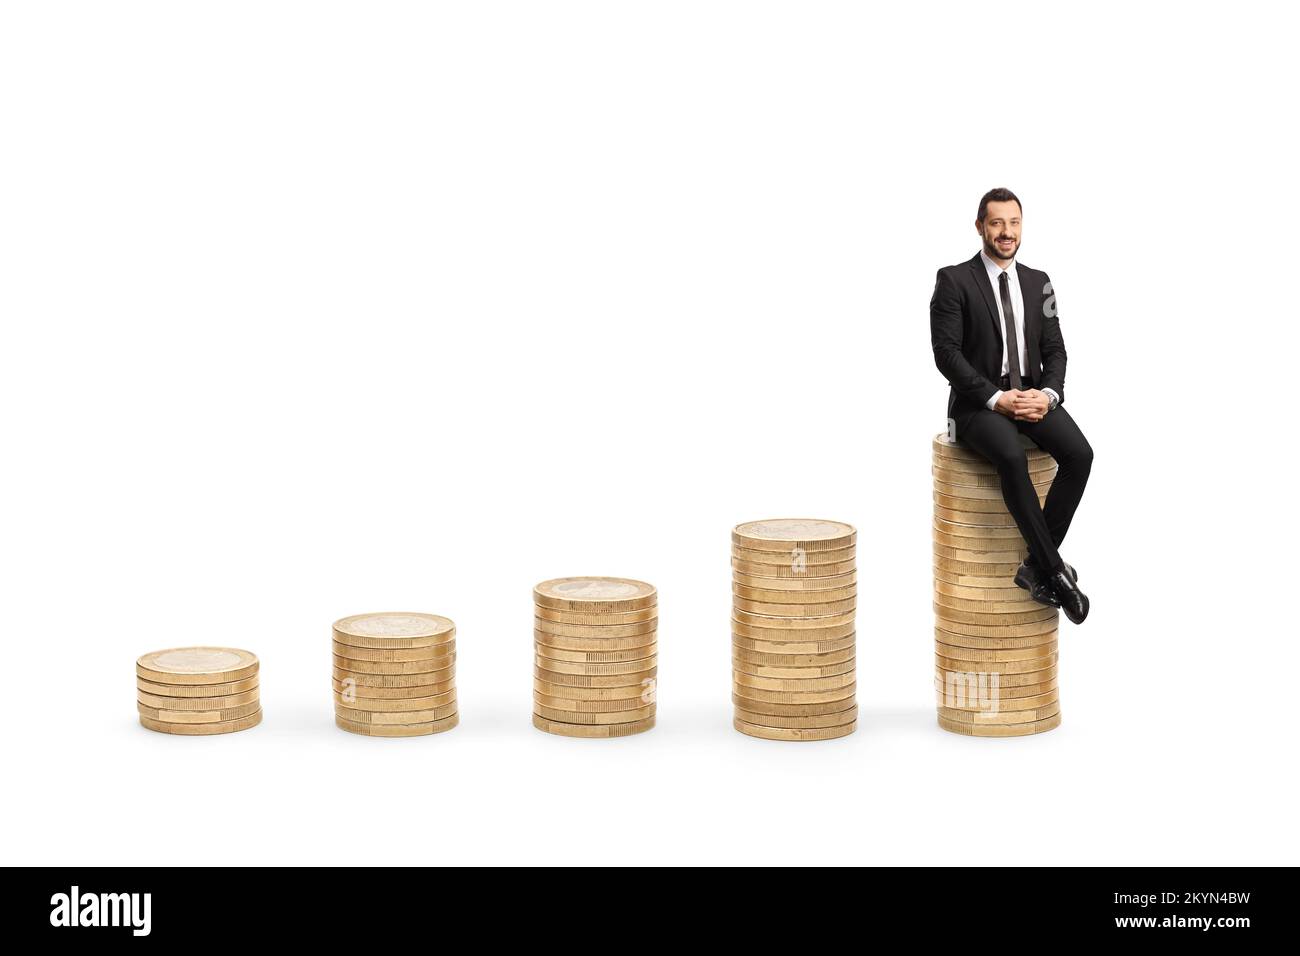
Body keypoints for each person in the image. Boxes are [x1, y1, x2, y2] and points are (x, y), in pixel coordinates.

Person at [929, 187, 1093, 624]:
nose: (1006, 232)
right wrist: (997, 399)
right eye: (997, 223)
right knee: (1010, 456)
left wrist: (1048, 394)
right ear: (980, 226)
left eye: (1014, 222)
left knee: (1081, 455)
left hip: (1032, 394)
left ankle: (1035, 566)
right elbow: (946, 354)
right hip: (976, 404)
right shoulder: (953, 279)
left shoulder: (1039, 282)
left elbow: (1056, 350)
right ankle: (1055, 571)